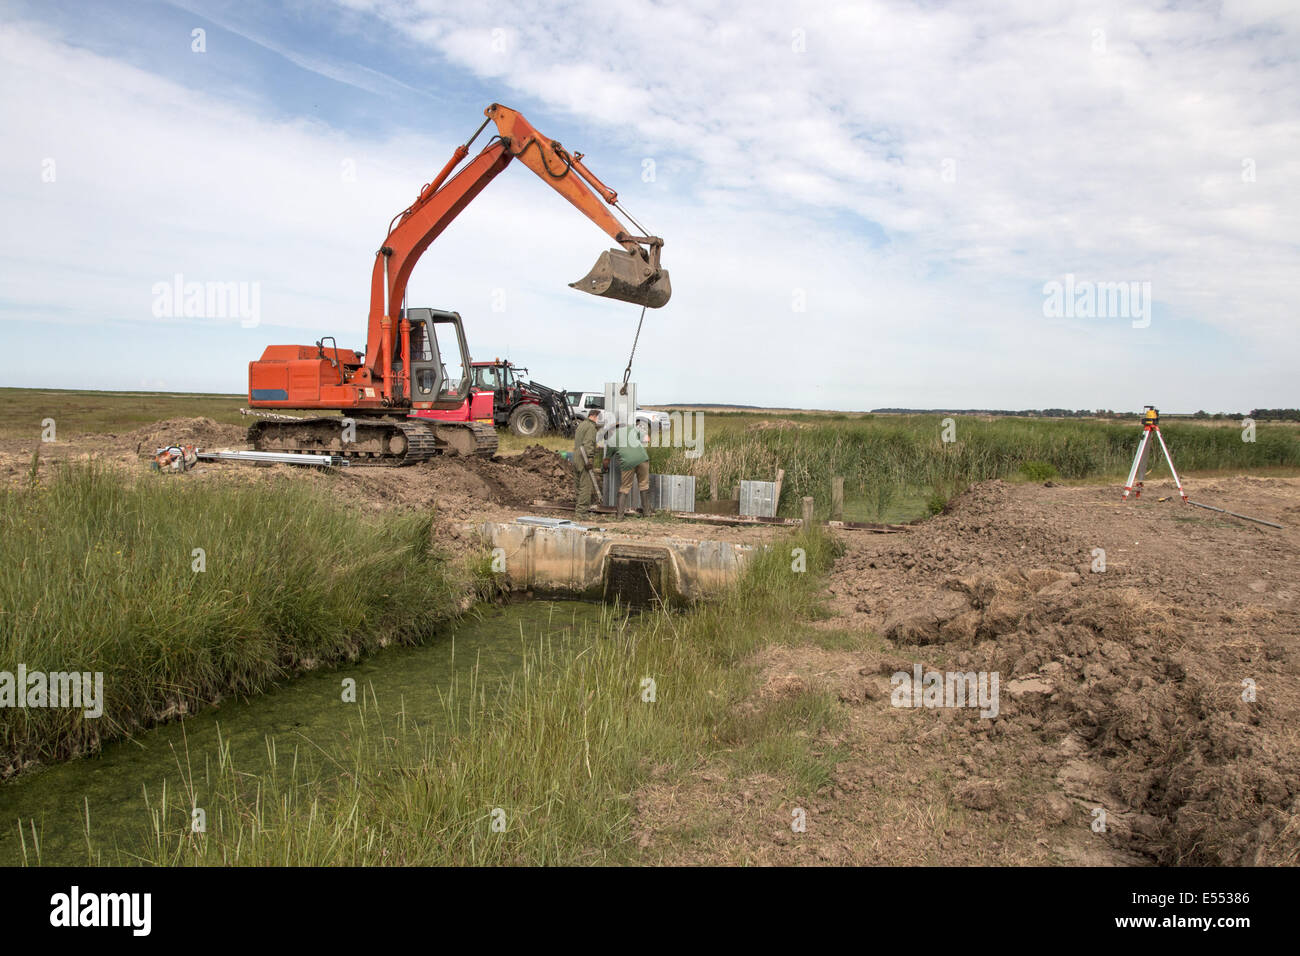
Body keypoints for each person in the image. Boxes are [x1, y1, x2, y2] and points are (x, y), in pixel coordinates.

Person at [602, 416, 651, 519]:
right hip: (643, 458)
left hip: (627, 462)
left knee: (625, 487)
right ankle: (647, 514)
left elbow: (606, 460)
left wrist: (604, 468)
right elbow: (647, 439)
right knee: (644, 485)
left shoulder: (611, 440)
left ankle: (619, 516)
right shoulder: (632, 429)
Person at [572, 407, 602, 518]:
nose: (598, 420)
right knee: (586, 486)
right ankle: (581, 513)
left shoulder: (582, 425)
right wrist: (590, 458)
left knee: (579, 485)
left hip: (576, 456)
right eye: (598, 418)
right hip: (583, 457)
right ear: (594, 416)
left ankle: (578, 509)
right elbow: (588, 443)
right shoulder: (591, 427)